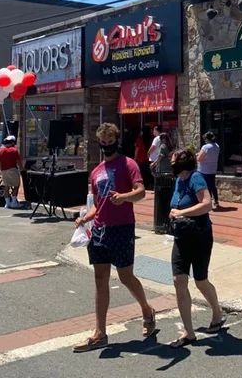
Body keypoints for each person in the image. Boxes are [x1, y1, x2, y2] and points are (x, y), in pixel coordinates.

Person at [72, 123, 155, 353]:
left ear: (117, 141)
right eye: (103, 142)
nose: (107, 146)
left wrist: (125, 197)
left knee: (126, 277)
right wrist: (84, 219)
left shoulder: (128, 164)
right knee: (100, 279)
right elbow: (97, 206)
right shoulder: (96, 171)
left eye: (110, 141)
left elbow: (141, 192)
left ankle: (147, 310)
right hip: (99, 229)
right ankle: (100, 333)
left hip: (122, 228)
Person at [168, 149, 224, 348]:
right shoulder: (178, 180)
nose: (170, 161)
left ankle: (217, 313)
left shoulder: (196, 178)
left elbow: (207, 204)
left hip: (199, 236)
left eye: (173, 159)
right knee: (178, 280)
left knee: (201, 281)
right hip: (181, 237)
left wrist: (181, 212)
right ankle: (189, 333)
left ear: (182, 162)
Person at [0, 135, 24, 209]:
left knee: (6, 186)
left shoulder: (1, 150)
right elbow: (18, 162)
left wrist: (1, 170)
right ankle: (14, 202)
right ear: (13, 142)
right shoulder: (14, 150)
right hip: (12, 169)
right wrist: (21, 169)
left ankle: (7, 203)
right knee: (16, 185)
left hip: (3, 170)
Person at [197, 132, 221, 209]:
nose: (204, 140)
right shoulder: (217, 146)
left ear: (207, 139)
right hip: (212, 169)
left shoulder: (205, 147)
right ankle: (216, 201)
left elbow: (199, 159)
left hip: (204, 170)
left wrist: (197, 155)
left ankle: (208, 202)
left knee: (205, 187)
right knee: (212, 186)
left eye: (205, 139)